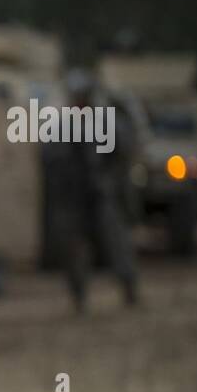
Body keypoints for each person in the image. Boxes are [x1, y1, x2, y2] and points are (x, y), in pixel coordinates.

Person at [57, 70, 141, 312]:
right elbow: (54, 159)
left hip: (105, 193)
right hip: (76, 196)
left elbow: (121, 156)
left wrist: (108, 180)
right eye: (75, 96)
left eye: (81, 96)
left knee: (117, 242)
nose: (79, 101)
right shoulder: (64, 125)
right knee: (75, 248)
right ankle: (78, 296)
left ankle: (128, 288)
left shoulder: (107, 122)